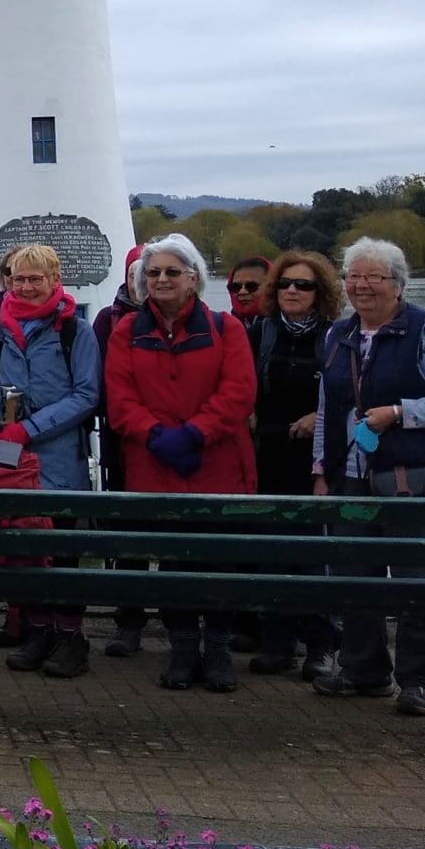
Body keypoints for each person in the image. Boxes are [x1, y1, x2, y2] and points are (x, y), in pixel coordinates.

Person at [310, 238, 425, 719]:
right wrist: (322, 471)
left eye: (372, 277)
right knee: (353, 573)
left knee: (414, 577)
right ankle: (363, 670)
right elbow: (327, 409)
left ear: (397, 285)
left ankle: (421, 681)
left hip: (415, 475)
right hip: (351, 476)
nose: (360, 286)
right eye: (352, 277)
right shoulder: (337, 334)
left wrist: (400, 413)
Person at [103, 233, 256, 694]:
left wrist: (194, 433)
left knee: (220, 561)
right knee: (170, 560)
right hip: (154, 464)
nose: (162, 279)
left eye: (172, 271)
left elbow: (238, 393)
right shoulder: (126, 332)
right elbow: (120, 397)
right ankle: (183, 646)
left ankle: (219, 648)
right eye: (153, 273)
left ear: (193, 278)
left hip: (218, 464)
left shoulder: (226, 329)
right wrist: (155, 435)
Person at [0, 244, 101, 678]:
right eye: (17, 279)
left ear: (54, 278)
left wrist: (29, 429)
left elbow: (86, 395)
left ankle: (71, 637)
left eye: (34, 279)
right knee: (24, 551)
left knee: (61, 550)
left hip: (59, 457)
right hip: (11, 457)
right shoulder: (0, 328)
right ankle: (39, 630)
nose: (25, 287)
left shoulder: (74, 330)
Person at [244, 250, 342, 681]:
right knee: (271, 551)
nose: (292, 292)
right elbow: (242, 384)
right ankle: (278, 641)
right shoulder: (260, 332)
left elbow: (351, 395)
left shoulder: (336, 336)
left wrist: (320, 419)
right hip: (269, 452)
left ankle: (321, 644)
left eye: (303, 285)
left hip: (317, 459)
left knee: (315, 554)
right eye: (284, 284)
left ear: (320, 292)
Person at [95, 245, 151, 658]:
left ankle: (187, 625)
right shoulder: (108, 319)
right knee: (127, 537)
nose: (152, 279)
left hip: (179, 445)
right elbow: (102, 384)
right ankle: (128, 620)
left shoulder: (208, 325)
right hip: (123, 441)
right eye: (144, 270)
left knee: (180, 537)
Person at [225, 256, 272, 326]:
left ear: (271, 287)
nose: (242, 292)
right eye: (236, 287)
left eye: (251, 286)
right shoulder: (222, 328)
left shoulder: (288, 328)